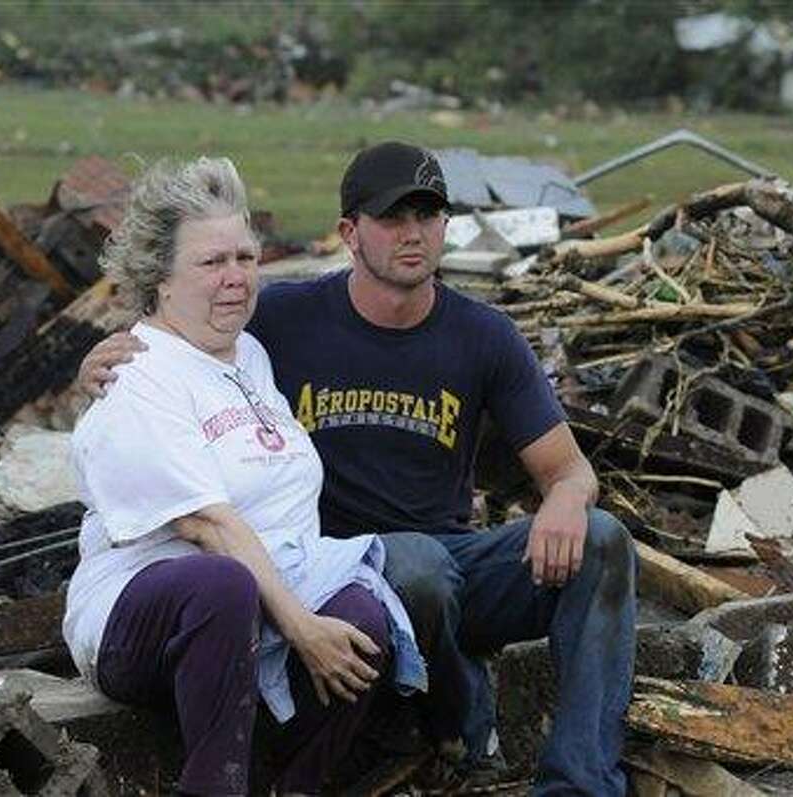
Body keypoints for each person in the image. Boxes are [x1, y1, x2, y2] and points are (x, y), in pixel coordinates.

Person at [81, 142, 637, 796]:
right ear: (349, 233)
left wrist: (569, 498)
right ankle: (457, 721)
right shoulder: (282, 320)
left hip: (440, 561)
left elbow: (567, 469)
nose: (413, 234)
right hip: (347, 563)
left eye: (428, 216)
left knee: (602, 539)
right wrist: (98, 365)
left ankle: (581, 781)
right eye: (393, 218)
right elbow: (179, 331)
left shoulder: (483, 335)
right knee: (402, 570)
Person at [62, 156, 425, 797]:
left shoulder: (250, 354)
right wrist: (300, 625)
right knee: (222, 584)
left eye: (246, 259)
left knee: (363, 618)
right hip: (147, 618)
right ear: (160, 278)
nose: (235, 278)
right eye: (211, 263)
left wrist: (316, 621)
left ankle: (298, 786)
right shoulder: (140, 377)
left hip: (261, 597)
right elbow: (208, 525)